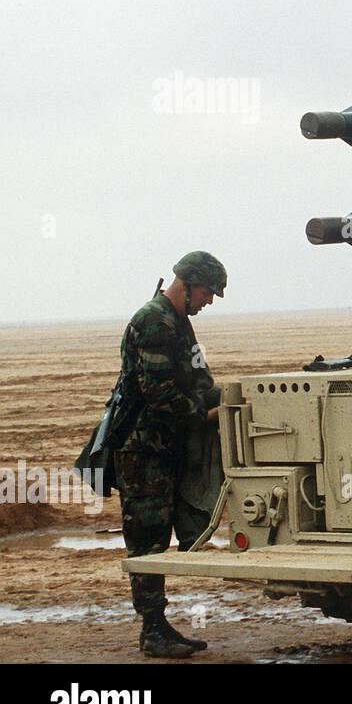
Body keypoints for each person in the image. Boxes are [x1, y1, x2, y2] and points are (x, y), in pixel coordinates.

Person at [115, 250, 228, 657]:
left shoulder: (180, 324)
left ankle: (159, 626)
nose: (208, 302)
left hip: (166, 448)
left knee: (163, 536)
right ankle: (152, 629)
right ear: (188, 283)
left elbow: (200, 378)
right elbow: (159, 395)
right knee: (146, 540)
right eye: (207, 292)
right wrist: (207, 413)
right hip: (143, 451)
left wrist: (231, 398)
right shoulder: (154, 321)